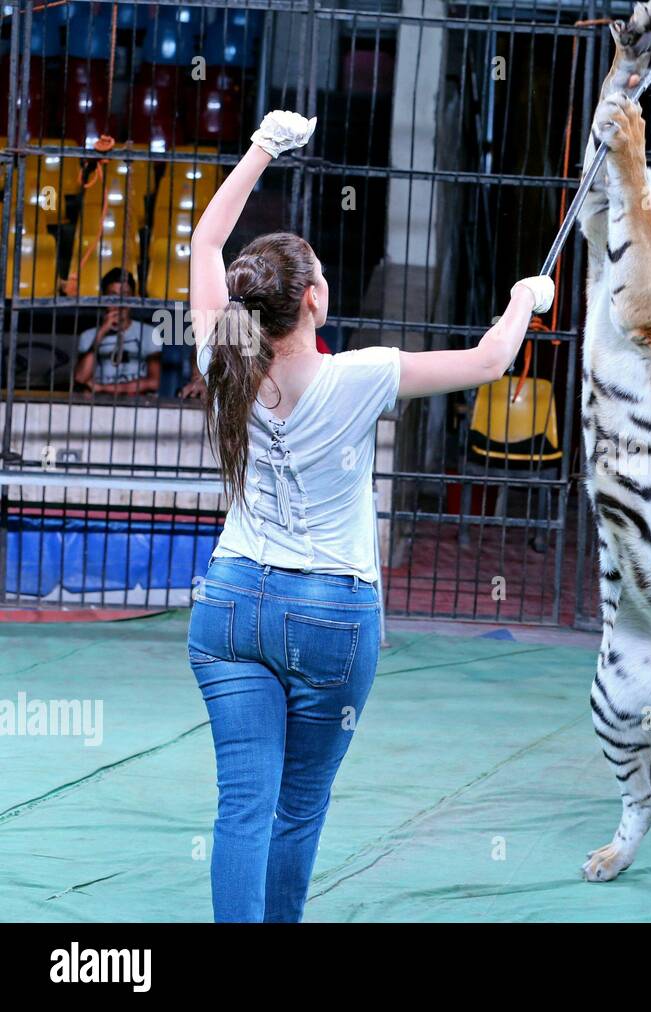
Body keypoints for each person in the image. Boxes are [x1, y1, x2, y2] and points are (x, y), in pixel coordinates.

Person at [186, 110, 553, 922]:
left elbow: (205, 244)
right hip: (330, 617)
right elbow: (491, 360)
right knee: (297, 809)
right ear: (314, 299)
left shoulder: (221, 351)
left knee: (240, 809)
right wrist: (527, 297)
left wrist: (260, 149)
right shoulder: (360, 373)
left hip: (230, 606)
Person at [73, 268, 163, 395]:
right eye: (112, 296)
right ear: (103, 298)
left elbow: (154, 382)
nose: (119, 303)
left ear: (134, 299)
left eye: (125, 296)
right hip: (100, 405)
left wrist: (102, 388)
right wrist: (101, 334)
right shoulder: (88, 336)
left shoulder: (150, 333)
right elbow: (80, 378)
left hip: (139, 406)